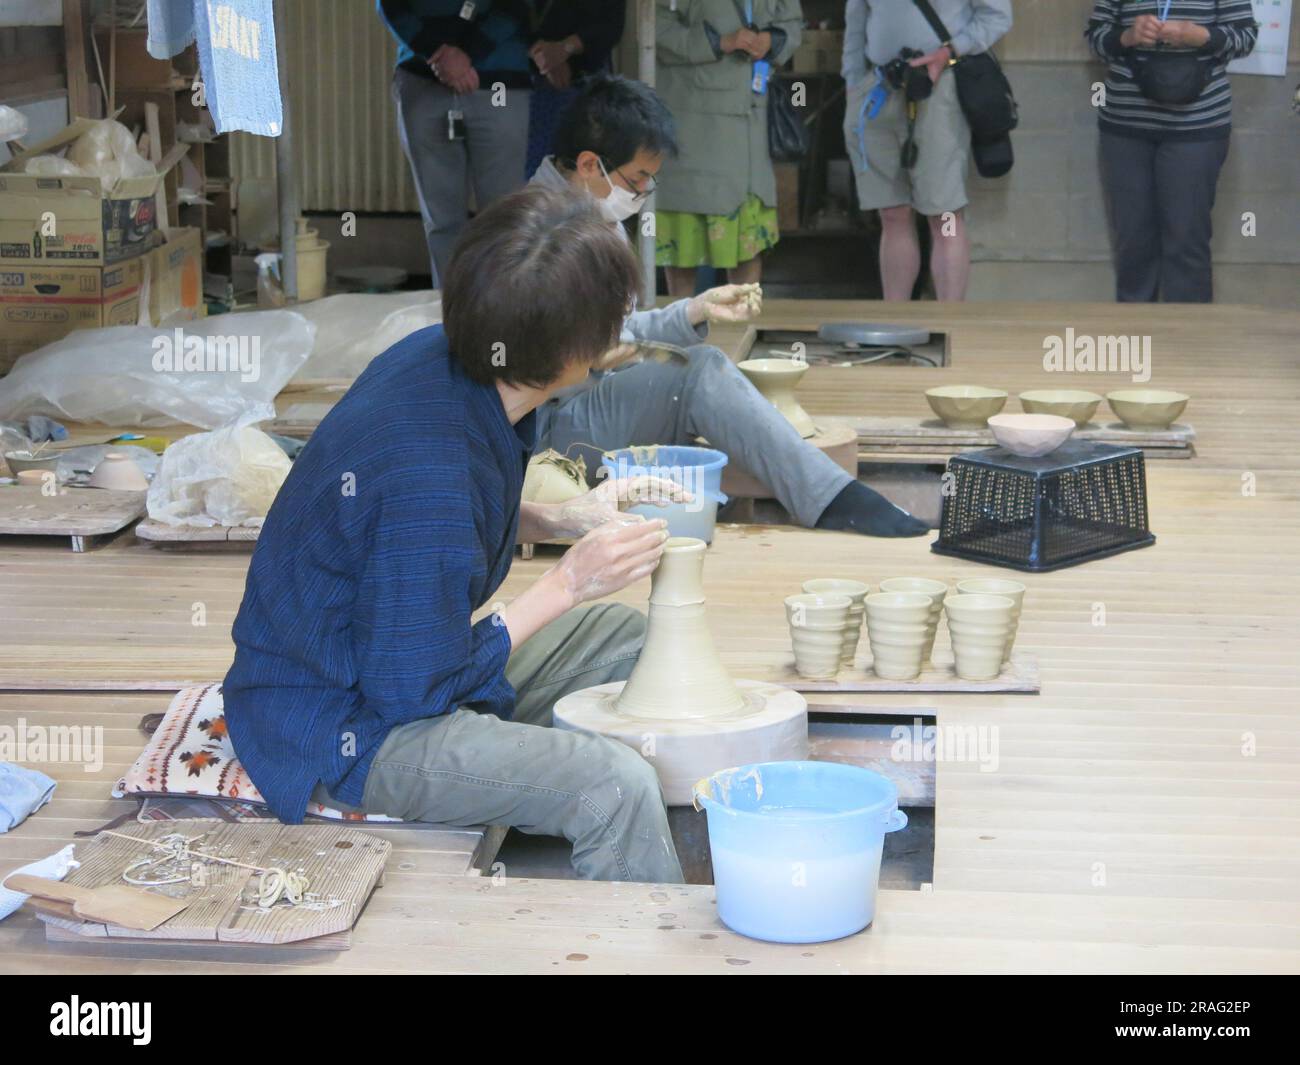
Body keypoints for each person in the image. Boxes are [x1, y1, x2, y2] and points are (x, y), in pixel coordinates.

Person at [223, 187, 688, 884]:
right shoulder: (427, 466)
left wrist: (559, 520)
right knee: (612, 787)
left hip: (396, 658)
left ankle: (554, 790)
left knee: (636, 644)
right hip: (348, 726)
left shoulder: (446, 357)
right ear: (572, 351)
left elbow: (438, 530)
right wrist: (568, 581)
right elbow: (415, 689)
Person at [530, 74, 929, 538]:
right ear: (588, 164)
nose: (643, 190)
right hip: (551, 435)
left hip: (593, 403)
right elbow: (552, 362)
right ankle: (833, 499)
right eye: (637, 178)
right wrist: (609, 357)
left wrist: (694, 311)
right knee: (699, 372)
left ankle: (822, 491)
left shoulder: (593, 212)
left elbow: (619, 331)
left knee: (696, 372)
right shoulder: (539, 231)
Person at [1086, 1, 1258, 302]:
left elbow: (1246, 37)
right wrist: (1128, 36)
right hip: (1126, 127)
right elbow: (1096, 37)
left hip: (1197, 127)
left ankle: (1190, 343)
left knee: (1186, 243)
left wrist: (1201, 36)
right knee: (1133, 244)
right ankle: (1135, 339)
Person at [841, 0, 1012, 301]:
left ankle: (950, 325)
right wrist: (854, 85)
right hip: (879, 87)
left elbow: (997, 17)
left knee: (944, 215)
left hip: (941, 85)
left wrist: (949, 51)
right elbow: (855, 24)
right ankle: (895, 322)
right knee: (892, 212)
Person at [377, 0, 534, 286]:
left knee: (504, 215)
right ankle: (448, 312)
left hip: (499, 81)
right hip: (423, 78)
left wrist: (465, 56)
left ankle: (503, 312)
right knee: (441, 218)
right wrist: (437, 53)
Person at [654, 0, 803, 297]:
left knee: (748, 238)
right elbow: (654, 30)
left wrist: (771, 41)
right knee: (685, 233)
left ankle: (742, 328)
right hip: (695, 121)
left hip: (751, 121)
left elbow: (793, 22)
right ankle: (680, 329)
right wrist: (720, 42)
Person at [524, 2, 626, 178]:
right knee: (537, 173)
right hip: (530, 79)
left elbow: (612, 25)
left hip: (589, 80)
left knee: (589, 170)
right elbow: (508, 11)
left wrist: (565, 48)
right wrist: (545, 56)